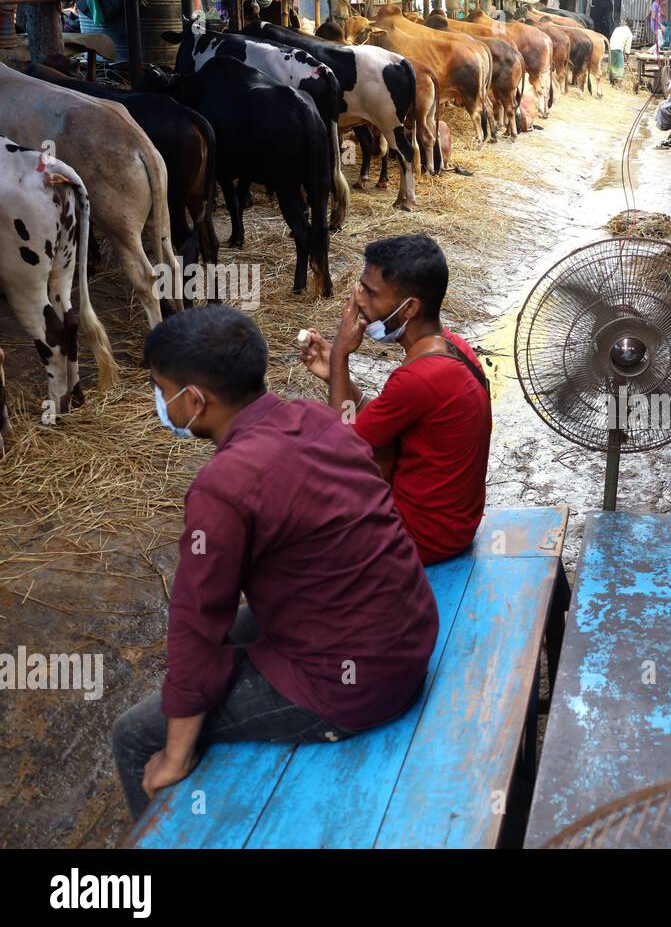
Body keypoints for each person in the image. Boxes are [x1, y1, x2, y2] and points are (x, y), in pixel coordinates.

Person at [111, 307, 439, 820]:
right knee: (222, 647)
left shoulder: (223, 487)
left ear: (194, 401)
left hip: (351, 688)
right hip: (409, 643)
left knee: (135, 734)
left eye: (161, 388)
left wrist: (174, 754)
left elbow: (198, 620)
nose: (160, 401)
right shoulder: (316, 419)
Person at [301, 234, 491, 566]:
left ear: (410, 308)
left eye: (371, 294)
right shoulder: (454, 348)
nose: (359, 301)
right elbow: (379, 419)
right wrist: (336, 376)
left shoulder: (419, 377)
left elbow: (342, 455)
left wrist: (340, 357)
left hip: (420, 540)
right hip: (455, 529)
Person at [610, 16, 634, 82]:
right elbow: (627, 49)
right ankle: (618, 84)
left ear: (626, 23)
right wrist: (627, 59)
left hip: (611, 47)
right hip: (618, 49)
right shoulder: (629, 34)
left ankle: (612, 81)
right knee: (620, 67)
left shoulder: (617, 29)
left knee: (613, 64)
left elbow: (612, 38)